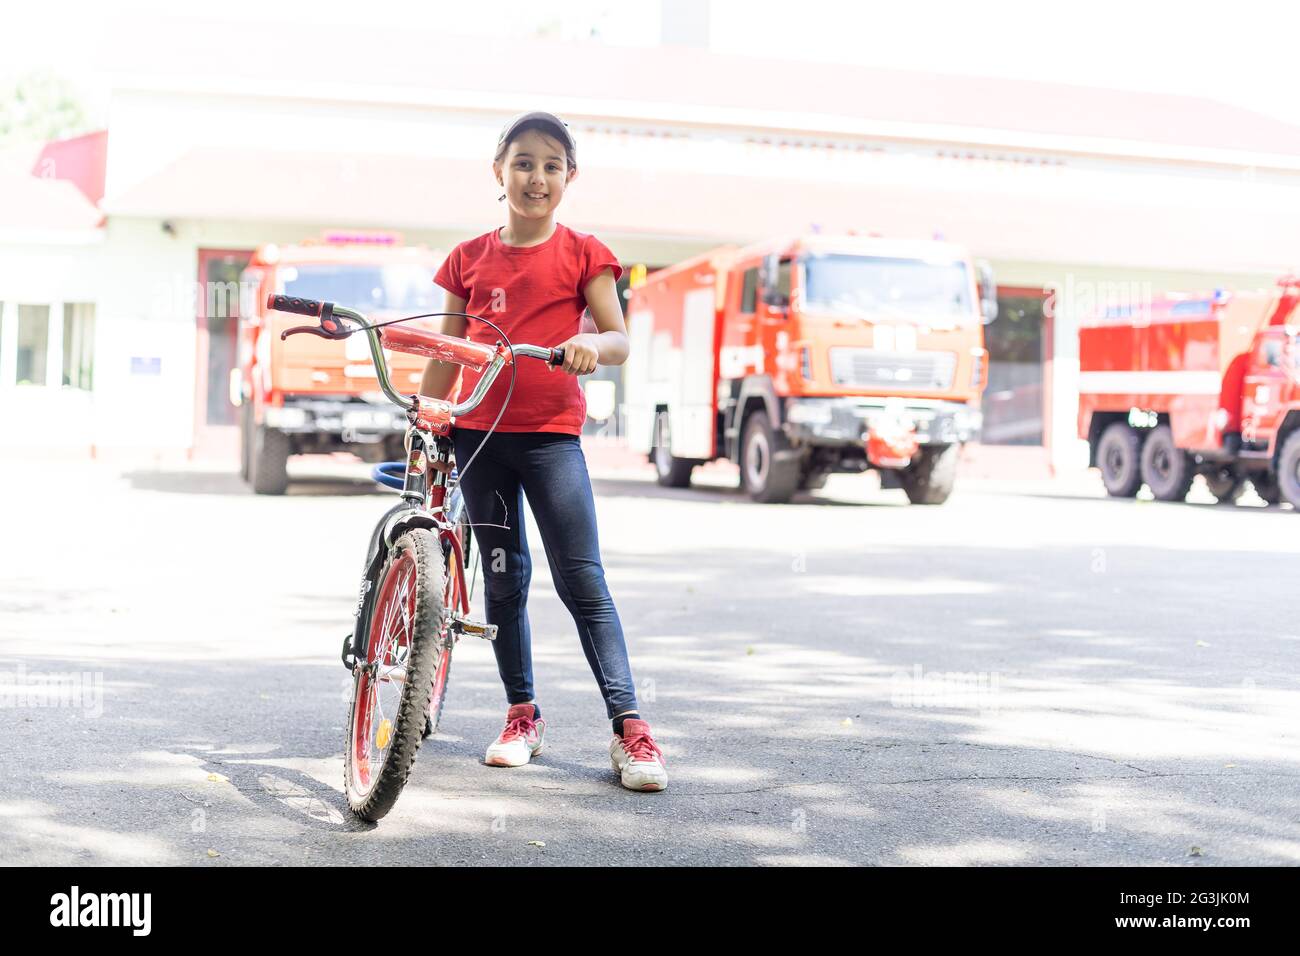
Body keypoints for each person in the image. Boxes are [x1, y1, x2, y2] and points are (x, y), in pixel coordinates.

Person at [418, 110, 667, 792]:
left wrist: (591, 344)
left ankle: (630, 729)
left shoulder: (585, 253)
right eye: (523, 163)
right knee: (505, 578)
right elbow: (449, 350)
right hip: (480, 439)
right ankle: (521, 716)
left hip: (552, 439)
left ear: (569, 177)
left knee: (582, 579)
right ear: (498, 172)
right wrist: (428, 410)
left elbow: (618, 339)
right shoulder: (467, 258)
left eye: (551, 165)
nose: (537, 177)